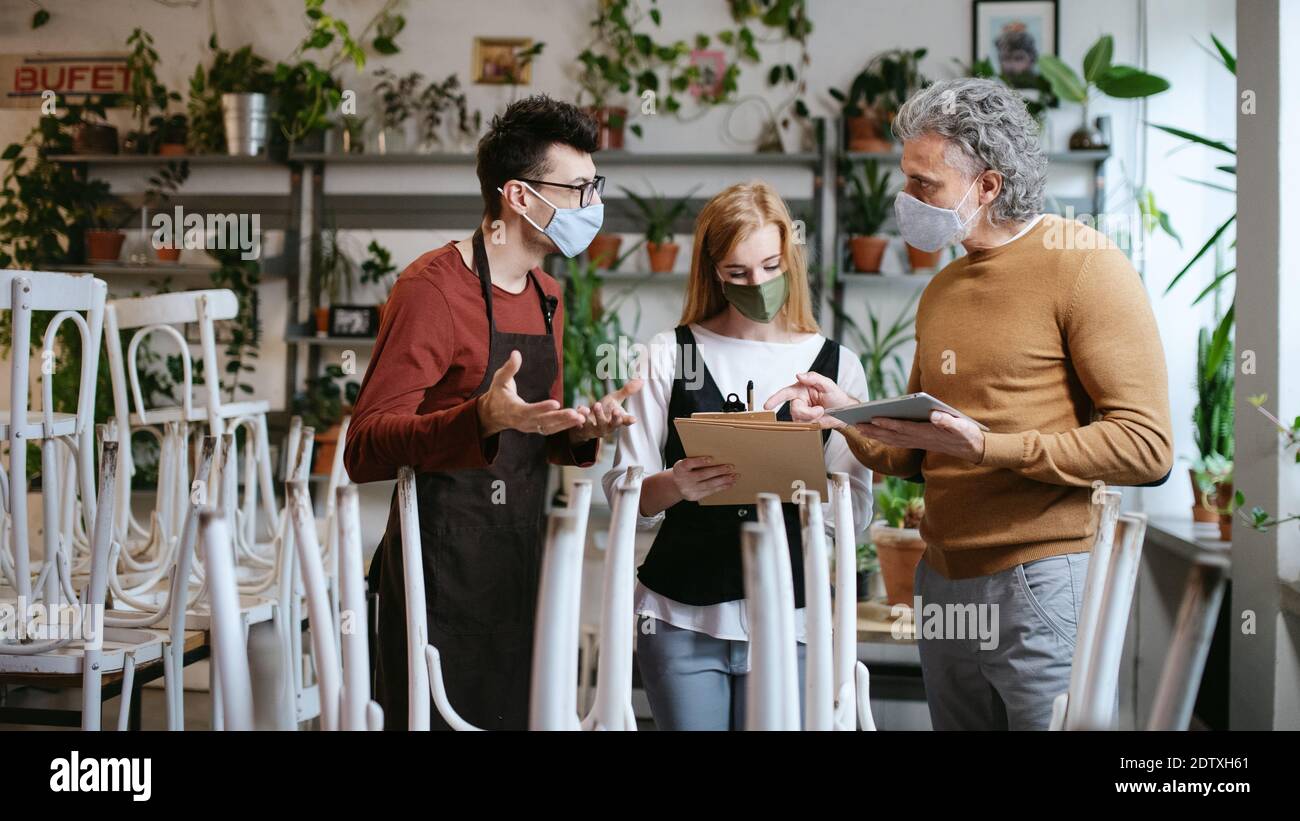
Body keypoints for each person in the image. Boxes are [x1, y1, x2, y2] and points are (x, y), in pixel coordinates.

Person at [767, 78, 1173, 730]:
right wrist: (845, 411)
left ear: (987, 186)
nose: (907, 200)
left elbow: (1148, 447)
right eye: (906, 180)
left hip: (1039, 581)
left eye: (924, 184)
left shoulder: (1086, 264)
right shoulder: (943, 287)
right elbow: (920, 451)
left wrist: (991, 446)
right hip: (941, 580)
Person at [344, 95, 642, 730]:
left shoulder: (546, 295)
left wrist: (580, 430)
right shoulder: (431, 290)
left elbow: (532, 430)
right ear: (519, 196)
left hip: (518, 563)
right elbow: (363, 447)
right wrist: (478, 418)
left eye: (597, 186)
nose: (592, 205)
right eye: (578, 189)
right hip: (438, 568)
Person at [603, 181, 873, 731]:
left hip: (794, 617)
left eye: (772, 266)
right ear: (712, 272)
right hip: (680, 615)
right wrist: (675, 484)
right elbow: (624, 494)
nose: (760, 284)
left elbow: (857, 507)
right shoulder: (670, 354)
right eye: (739, 273)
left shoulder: (835, 366)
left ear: (791, 260)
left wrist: (802, 492)